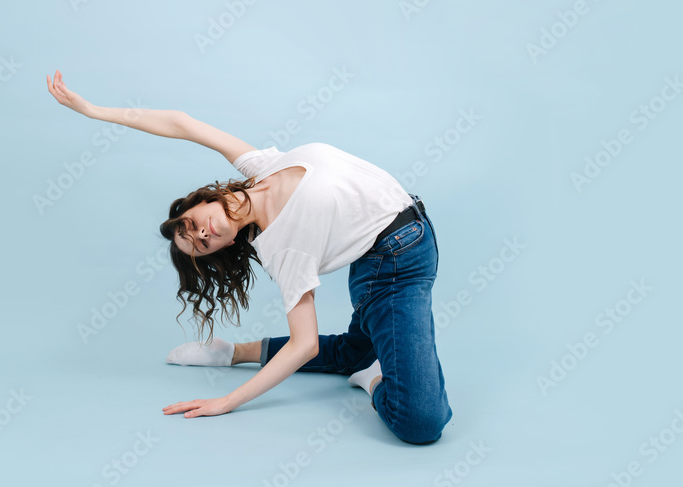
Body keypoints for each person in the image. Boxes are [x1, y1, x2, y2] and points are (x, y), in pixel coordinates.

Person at [46, 70, 452, 444]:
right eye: (201, 245)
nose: (202, 233)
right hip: (392, 268)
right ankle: (367, 379)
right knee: (420, 422)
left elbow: (180, 124)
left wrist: (93, 110)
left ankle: (247, 354)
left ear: (203, 201)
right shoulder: (280, 245)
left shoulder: (261, 167)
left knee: (353, 353)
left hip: (403, 235)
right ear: (223, 247)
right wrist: (227, 402)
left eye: (192, 225)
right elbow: (305, 344)